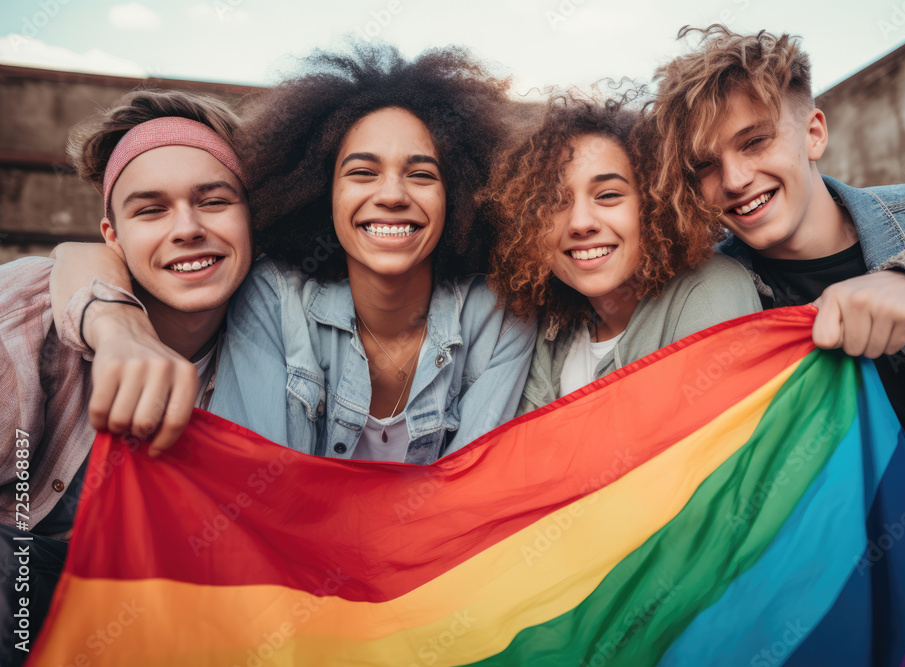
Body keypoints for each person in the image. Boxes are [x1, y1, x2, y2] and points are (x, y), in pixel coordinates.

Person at [651, 25, 905, 661]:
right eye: (705, 166)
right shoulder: (719, 303)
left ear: (813, 133)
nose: (733, 178)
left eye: (754, 141)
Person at [49, 44, 535, 463]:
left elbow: (475, 491)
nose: (392, 195)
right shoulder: (271, 296)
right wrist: (113, 323)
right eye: (362, 172)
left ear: (462, 195)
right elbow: (259, 482)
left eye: (422, 175)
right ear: (320, 193)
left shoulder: (501, 315)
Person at [0, 89, 253, 664]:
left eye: (213, 201)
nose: (187, 228)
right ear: (112, 237)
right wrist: (113, 328)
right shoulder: (25, 312)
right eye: (151, 209)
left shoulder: (283, 340)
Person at [486, 97, 761, 416]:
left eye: (608, 196)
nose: (580, 224)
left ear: (654, 204)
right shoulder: (548, 330)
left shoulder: (711, 288)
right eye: (556, 201)